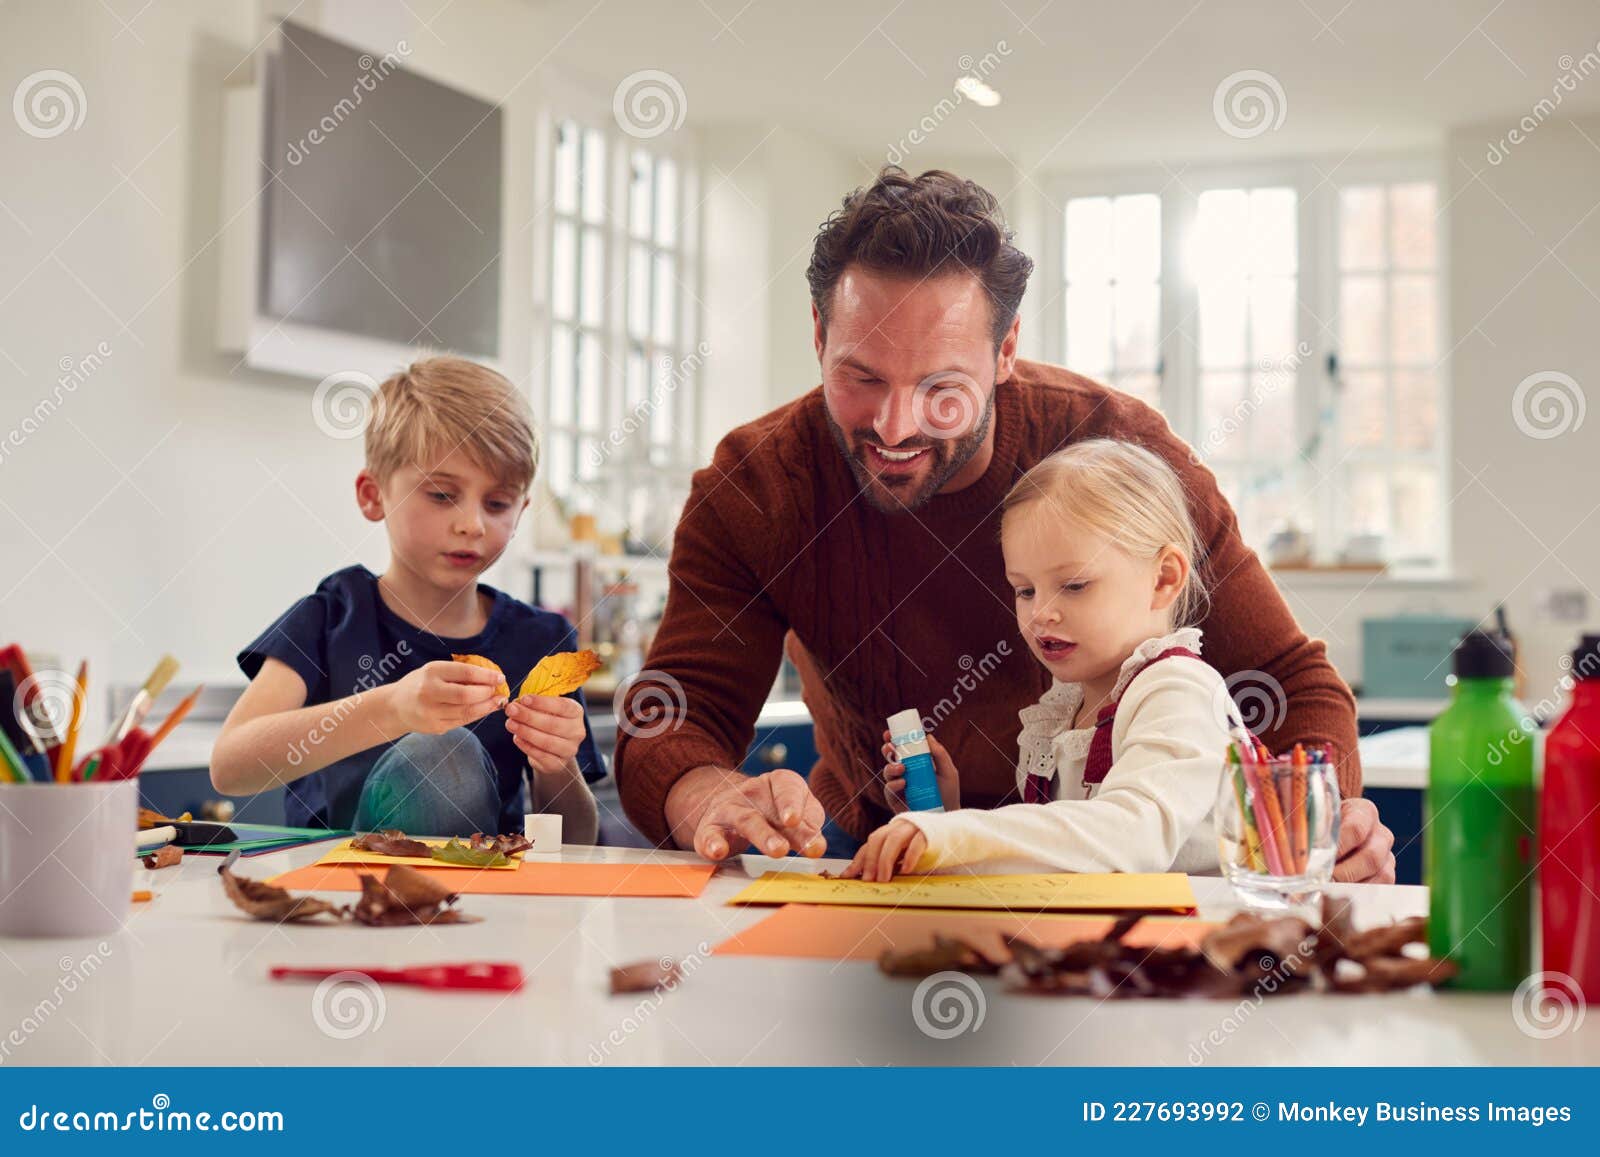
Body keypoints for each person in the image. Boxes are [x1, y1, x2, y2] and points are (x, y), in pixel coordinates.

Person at [614, 167, 1395, 884]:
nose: (894, 424)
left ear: (1005, 351)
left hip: (1115, 880)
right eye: (862, 378)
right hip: (877, 854)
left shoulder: (1118, 450)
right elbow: (669, 718)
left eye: (941, 387)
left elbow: (1290, 685)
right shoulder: (758, 487)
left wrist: (1316, 821)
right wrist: (708, 795)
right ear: (819, 335)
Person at [213, 356, 603, 840]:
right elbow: (231, 766)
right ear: (373, 495)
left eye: (497, 504)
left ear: (521, 510)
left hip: (484, 907)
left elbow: (578, 842)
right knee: (442, 752)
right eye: (441, 495)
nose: (472, 524)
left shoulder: (540, 638)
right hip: (342, 893)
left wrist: (556, 764)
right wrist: (391, 708)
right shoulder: (333, 616)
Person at [847, 439, 1237, 880]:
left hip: (1206, 941)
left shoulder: (1179, 691)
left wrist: (962, 836)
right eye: (1024, 590)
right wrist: (942, 815)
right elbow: (1064, 855)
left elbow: (1131, 838)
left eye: (1073, 585)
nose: (1039, 613)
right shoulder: (1062, 709)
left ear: (1163, 579)